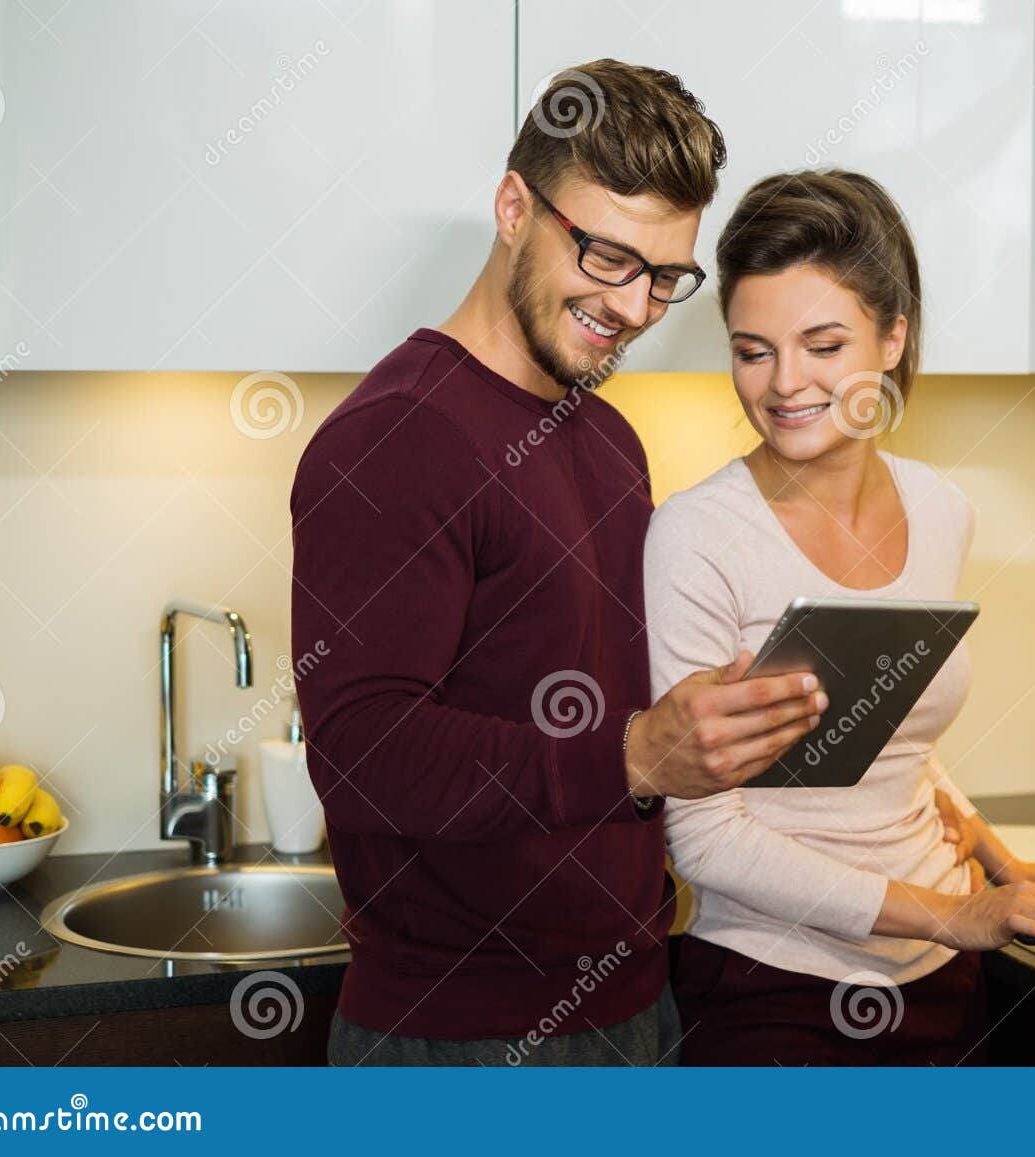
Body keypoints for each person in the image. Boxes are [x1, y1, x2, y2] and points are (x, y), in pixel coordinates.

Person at [290, 60, 827, 1067]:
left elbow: (606, 688)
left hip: (629, 1003)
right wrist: (631, 753)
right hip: (460, 1041)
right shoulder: (396, 436)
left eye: (666, 277)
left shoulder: (607, 438)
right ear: (511, 206)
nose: (633, 307)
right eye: (609, 256)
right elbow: (362, 752)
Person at [644, 170, 1035, 1066]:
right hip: (770, 984)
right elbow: (698, 835)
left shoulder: (941, 509)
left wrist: (1005, 868)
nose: (784, 384)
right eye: (753, 350)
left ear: (893, 337)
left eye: (823, 344)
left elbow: (897, 736)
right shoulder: (696, 535)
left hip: (942, 974)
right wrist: (956, 911)